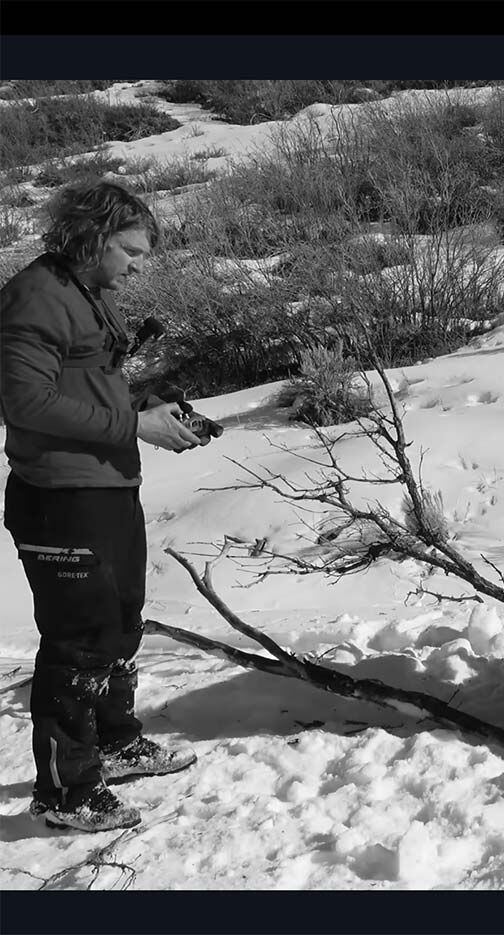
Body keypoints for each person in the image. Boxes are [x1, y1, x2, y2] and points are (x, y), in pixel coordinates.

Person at [1, 179, 206, 832]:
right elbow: (26, 402)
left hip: (108, 487)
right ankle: (66, 792)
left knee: (119, 623)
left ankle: (115, 743)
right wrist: (133, 427)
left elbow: (88, 383)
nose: (136, 266)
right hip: (59, 497)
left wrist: (146, 405)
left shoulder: (89, 292)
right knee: (78, 640)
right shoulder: (36, 297)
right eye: (130, 251)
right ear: (92, 238)